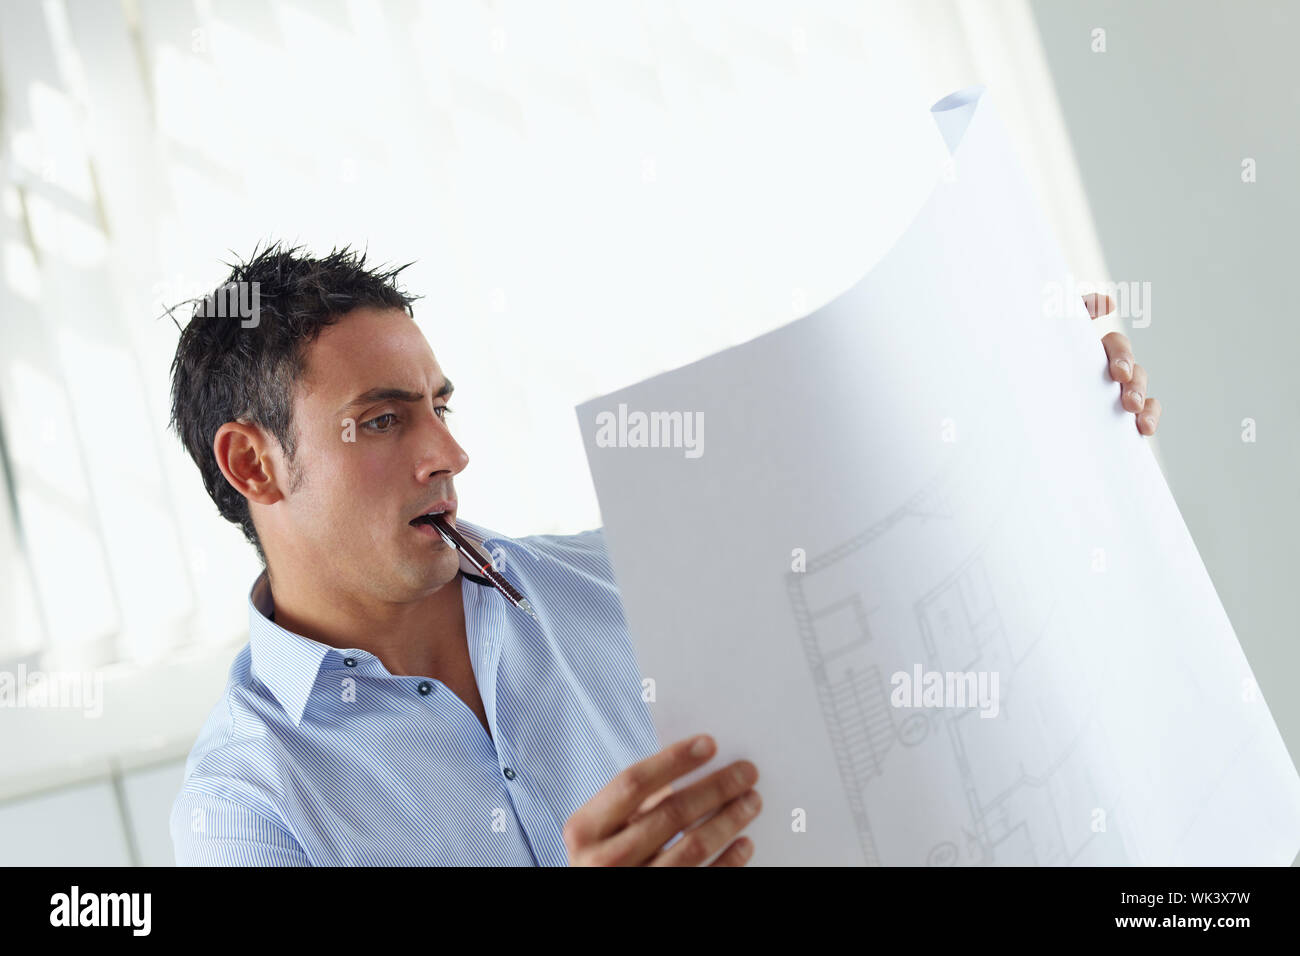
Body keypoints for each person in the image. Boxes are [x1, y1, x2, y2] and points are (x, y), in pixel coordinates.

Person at [167, 242, 1160, 866]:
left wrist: (1047, 407)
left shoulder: (634, 574)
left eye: (440, 405)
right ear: (254, 462)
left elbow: (895, 545)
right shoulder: (249, 814)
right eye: (382, 420)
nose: (446, 452)